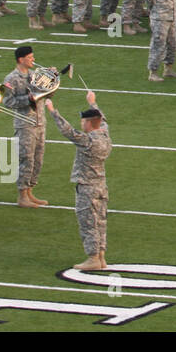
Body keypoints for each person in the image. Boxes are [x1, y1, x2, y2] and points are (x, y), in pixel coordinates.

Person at [44, 91, 110, 272]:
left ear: (89, 123)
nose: (82, 124)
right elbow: (103, 121)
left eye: (84, 121)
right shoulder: (105, 135)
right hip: (101, 186)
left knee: (88, 224)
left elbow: (68, 131)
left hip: (87, 188)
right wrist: (93, 103)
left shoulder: (88, 141)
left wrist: (52, 110)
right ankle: (101, 256)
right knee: (101, 222)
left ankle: (93, 258)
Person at [0, 44, 48, 208]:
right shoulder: (10, 79)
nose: (33, 59)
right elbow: (8, 101)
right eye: (30, 57)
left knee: (37, 159)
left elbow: (48, 92)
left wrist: (51, 78)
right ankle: (22, 195)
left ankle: (30, 192)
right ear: (21, 59)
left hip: (40, 122)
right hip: (25, 124)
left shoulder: (34, 75)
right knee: (26, 158)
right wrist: (27, 100)